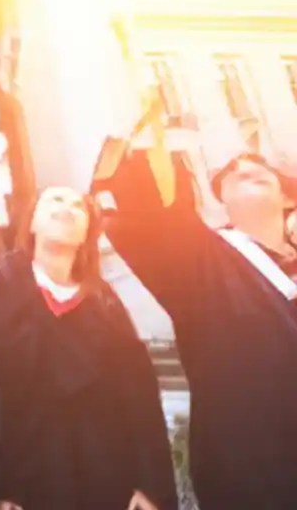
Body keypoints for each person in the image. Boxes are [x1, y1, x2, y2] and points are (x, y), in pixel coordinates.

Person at [97, 102, 297, 508]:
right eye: (231, 172)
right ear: (220, 199)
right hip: (257, 475)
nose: (244, 163)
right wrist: (143, 139)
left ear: (286, 197)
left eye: (259, 168)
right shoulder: (202, 260)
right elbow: (151, 213)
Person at [0, 187, 175, 510]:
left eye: (78, 205)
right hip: (26, 482)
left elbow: (139, 399)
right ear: (32, 223)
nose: (67, 207)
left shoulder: (104, 303)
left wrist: (149, 484)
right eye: (55, 199)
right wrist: (0, 488)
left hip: (106, 477)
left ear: (87, 234)